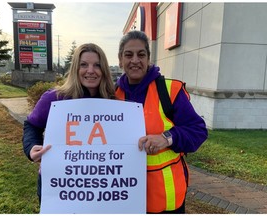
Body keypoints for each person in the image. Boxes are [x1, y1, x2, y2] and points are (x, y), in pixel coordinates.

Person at [115, 30, 208, 213]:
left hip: (165, 201)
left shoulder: (169, 91)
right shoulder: (111, 95)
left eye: (141, 54)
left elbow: (198, 131)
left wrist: (166, 138)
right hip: (123, 197)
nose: (135, 60)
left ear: (148, 58)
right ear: (120, 60)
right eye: (128, 55)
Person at [22, 43, 115, 203]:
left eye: (97, 65)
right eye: (84, 65)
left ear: (104, 70)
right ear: (75, 69)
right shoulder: (54, 98)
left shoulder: (114, 102)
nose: (91, 71)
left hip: (101, 186)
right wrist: (31, 147)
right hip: (59, 185)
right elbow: (32, 125)